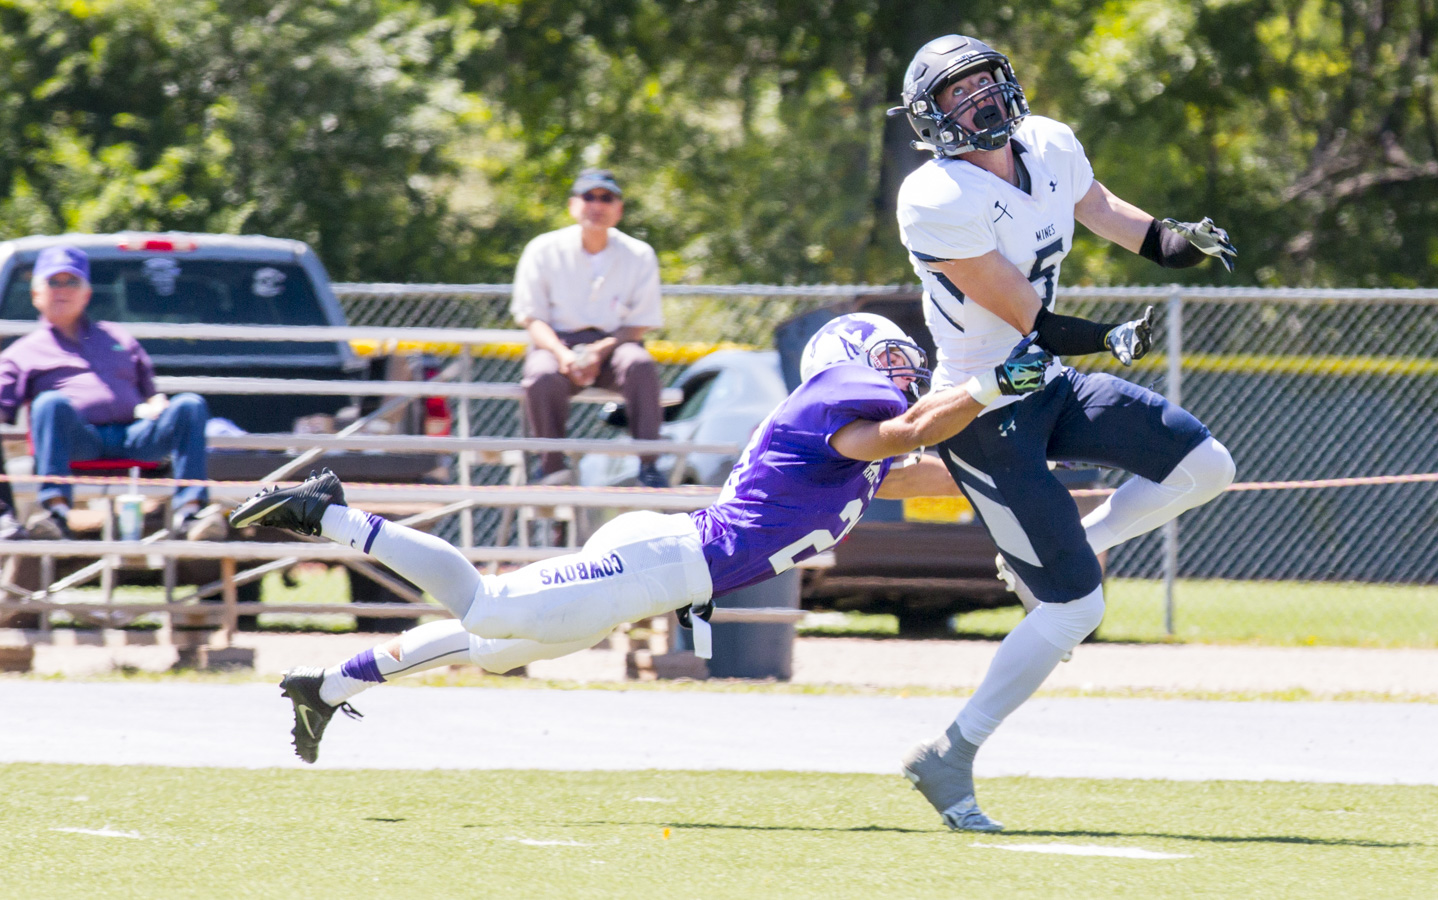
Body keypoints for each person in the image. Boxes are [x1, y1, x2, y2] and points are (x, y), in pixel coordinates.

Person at [230, 314, 1051, 765]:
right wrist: (990, 386)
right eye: (892, 356)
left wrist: (1046, 453)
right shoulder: (850, 399)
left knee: (501, 648)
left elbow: (930, 470)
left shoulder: (865, 444)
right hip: (669, 560)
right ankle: (327, 511)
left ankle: (328, 685)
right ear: (851, 361)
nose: (905, 368)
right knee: (488, 602)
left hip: (672, 562)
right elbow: (911, 436)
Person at [889, 35, 1240, 832]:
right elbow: (1032, 319)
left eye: (984, 82)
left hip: (1043, 384)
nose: (978, 99)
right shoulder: (935, 195)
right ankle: (949, 754)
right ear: (929, 118)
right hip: (980, 406)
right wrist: (1112, 336)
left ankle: (1068, 547)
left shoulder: (1048, 142)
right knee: (1077, 608)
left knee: (1205, 463)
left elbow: (1110, 214)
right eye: (957, 93)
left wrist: (1177, 245)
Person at [0, 245, 225, 541]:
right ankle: (56, 513)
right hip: (78, 440)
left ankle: (192, 514)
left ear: (87, 293)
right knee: (49, 403)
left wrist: (156, 406)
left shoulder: (118, 337)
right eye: (54, 281)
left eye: (72, 281)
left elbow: (152, 394)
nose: (62, 290)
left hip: (135, 435)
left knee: (189, 404)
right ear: (35, 294)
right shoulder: (21, 353)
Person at [512, 168, 669, 487]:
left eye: (606, 197)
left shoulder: (639, 254)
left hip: (615, 345)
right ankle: (552, 466)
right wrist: (562, 354)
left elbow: (637, 325)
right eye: (589, 197)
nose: (597, 205)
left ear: (619, 209)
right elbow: (532, 318)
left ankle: (649, 465)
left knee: (640, 366)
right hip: (556, 343)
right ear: (573, 205)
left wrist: (599, 351)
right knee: (541, 377)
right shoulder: (542, 249)